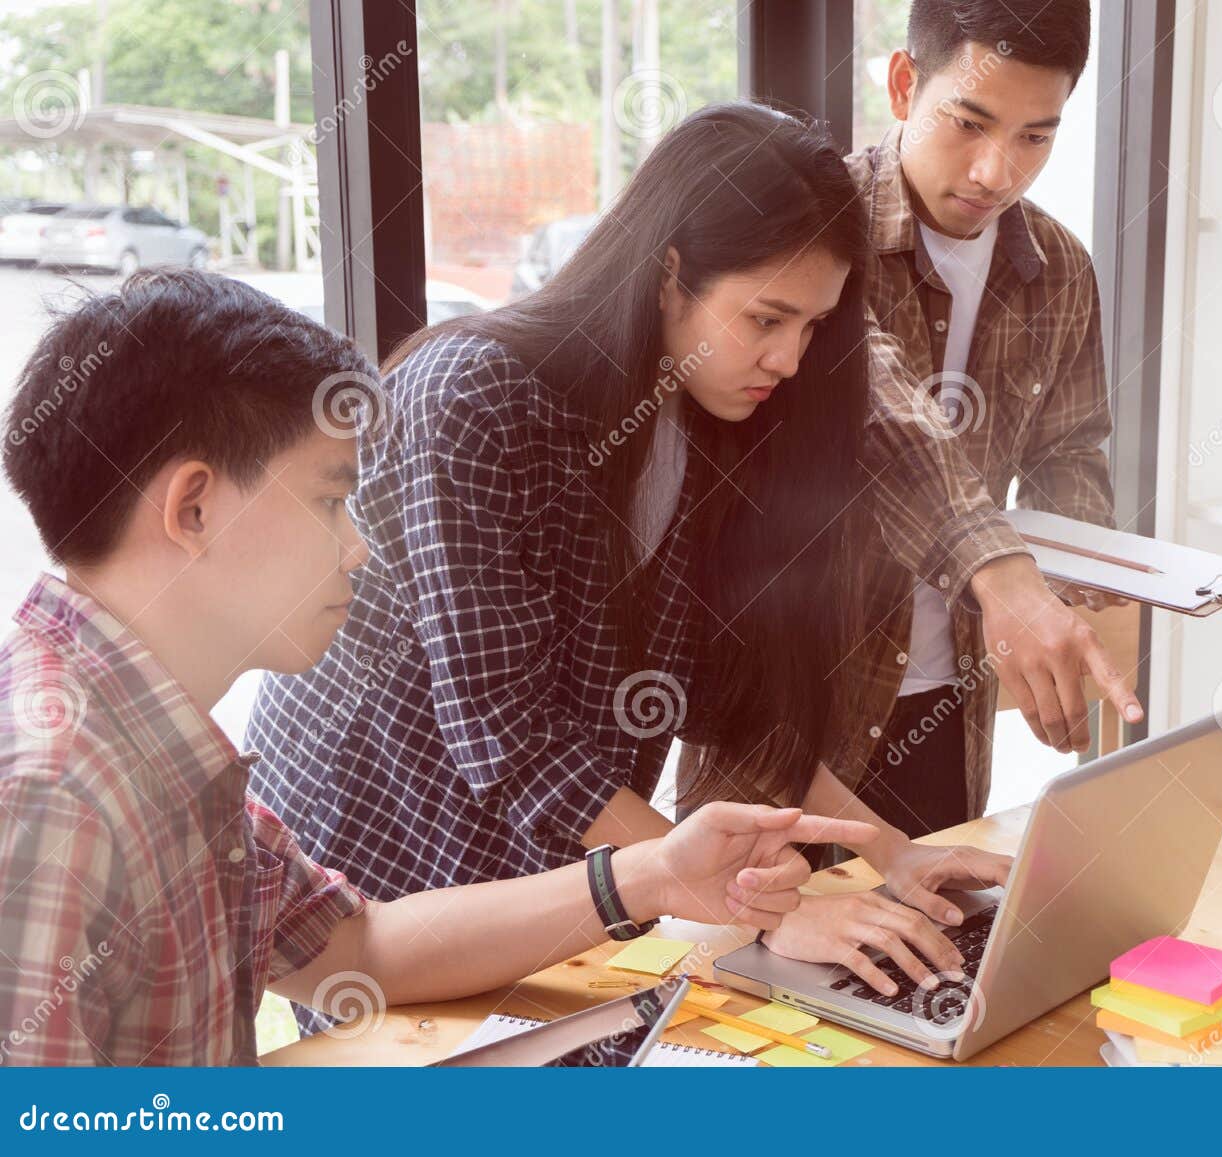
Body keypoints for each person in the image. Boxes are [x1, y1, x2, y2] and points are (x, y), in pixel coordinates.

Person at [247, 104, 1010, 1024]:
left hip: (538, 875)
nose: (790, 358)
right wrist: (757, 904)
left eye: (811, 326)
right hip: (381, 866)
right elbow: (510, 739)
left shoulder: (702, 415)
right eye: (766, 317)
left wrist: (893, 855)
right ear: (668, 273)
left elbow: (728, 692)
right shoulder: (472, 398)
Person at [0, 269, 871, 1066]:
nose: (358, 548)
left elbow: (355, 948)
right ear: (194, 506)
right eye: (330, 500)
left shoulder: (153, 741)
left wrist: (657, 873)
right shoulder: (52, 789)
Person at [822, 0, 1131, 839]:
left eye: (1037, 136)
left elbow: (1071, 453)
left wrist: (1082, 592)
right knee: (743, 957)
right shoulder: (816, 226)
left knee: (933, 956)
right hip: (791, 714)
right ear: (901, 84)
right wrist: (1006, 578)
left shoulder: (1061, 268)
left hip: (947, 707)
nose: (997, 171)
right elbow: (884, 425)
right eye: (970, 122)